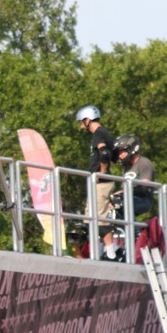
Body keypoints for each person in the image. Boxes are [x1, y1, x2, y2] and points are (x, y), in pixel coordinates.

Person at [75, 105, 116, 259]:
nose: (81, 126)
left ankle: (111, 252)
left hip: (102, 182)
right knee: (90, 219)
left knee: (99, 220)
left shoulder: (99, 133)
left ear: (88, 120)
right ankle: (102, 251)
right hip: (98, 182)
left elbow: (105, 153)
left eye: (81, 123)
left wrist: (102, 172)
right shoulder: (103, 133)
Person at [110, 135, 156, 216]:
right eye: (118, 153)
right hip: (128, 197)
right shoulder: (126, 168)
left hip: (143, 199)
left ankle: (133, 228)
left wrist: (121, 194)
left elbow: (144, 187)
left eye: (122, 152)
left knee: (124, 204)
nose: (120, 156)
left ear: (131, 149)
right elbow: (123, 189)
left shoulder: (144, 163)